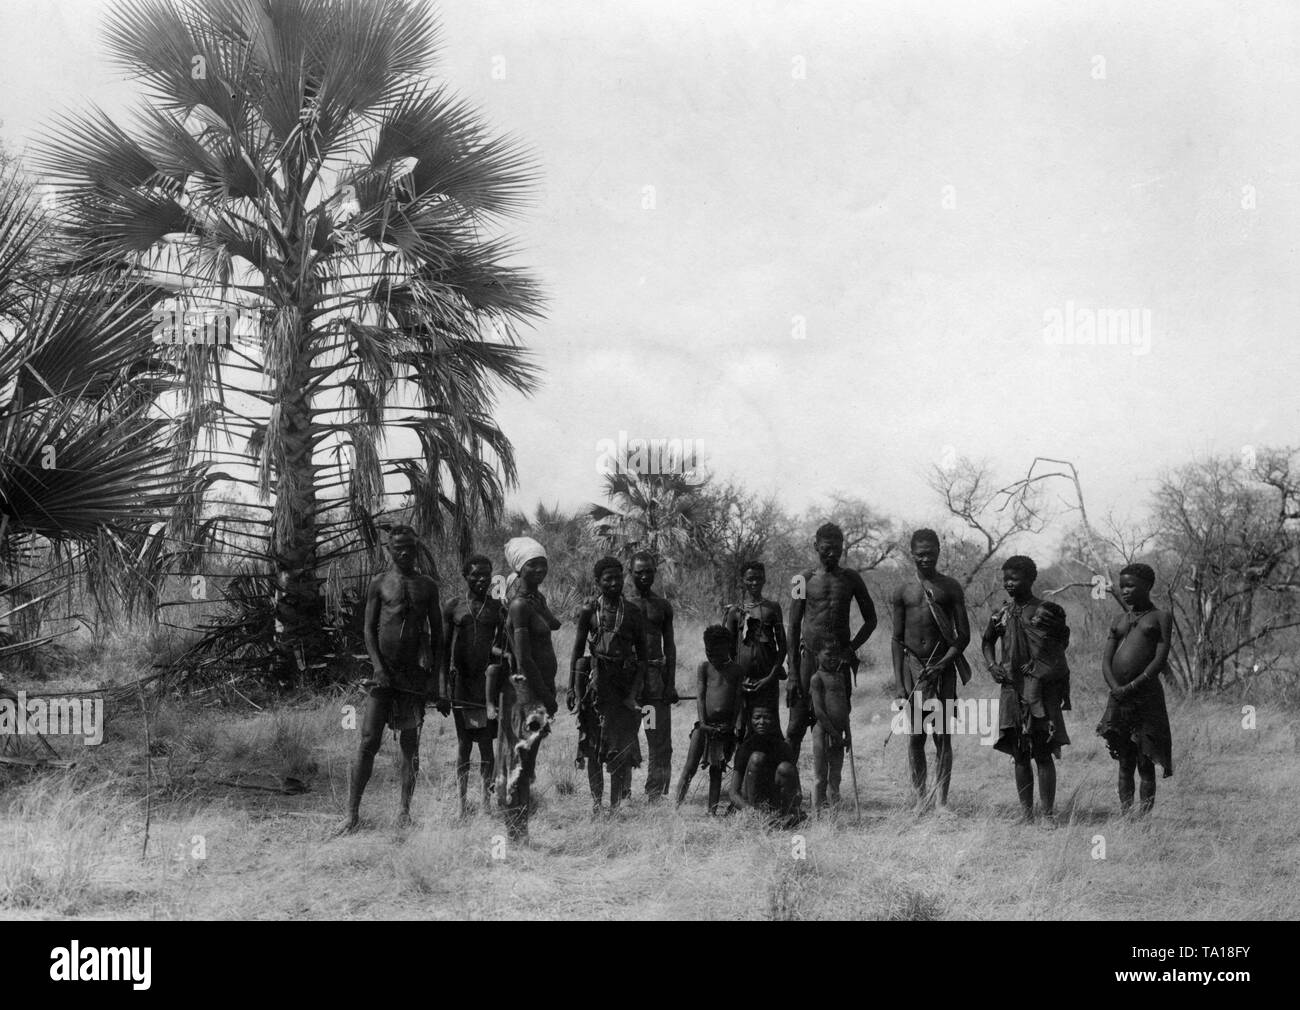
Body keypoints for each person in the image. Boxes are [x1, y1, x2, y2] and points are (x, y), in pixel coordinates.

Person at [340, 525, 444, 833]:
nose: (404, 552)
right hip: (382, 678)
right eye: (398, 547)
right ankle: (352, 815)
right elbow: (368, 630)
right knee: (369, 741)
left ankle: (403, 813)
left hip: (413, 678)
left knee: (410, 745)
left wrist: (436, 679)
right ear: (389, 548)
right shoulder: (379, 584)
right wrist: (378, 667)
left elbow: (438, 634)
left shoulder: (427, 586)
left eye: (410, 547)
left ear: (416, 548)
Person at [981, 556, 1072, 824]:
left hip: (1039, 691)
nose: (1009, 583)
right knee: (1019, 753)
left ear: (1031, 579)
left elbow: (1059, 649)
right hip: (1010, 688)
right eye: (1006, 578)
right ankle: (1026, 814)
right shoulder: (1002, 613)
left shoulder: (1046, 611)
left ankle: (1047, 815)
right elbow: (986, 641)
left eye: (1015, 578)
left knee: (1042, 753)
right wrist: (991, 665)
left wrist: (1038, 668)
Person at [889, 529, 971, 812]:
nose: (925, 558)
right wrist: (900, 683)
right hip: (914, 670)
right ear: (911, 554)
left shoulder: (950, 588)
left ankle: (941, 801)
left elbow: (963, 636)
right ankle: (920, 799)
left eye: (930, 552)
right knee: (915, 736)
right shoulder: (903, 591)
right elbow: (897, 640)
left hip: (942, 670)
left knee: (942, 735)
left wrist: (943, 664)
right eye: (920, 553)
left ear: (939, 551)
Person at [786, 523, 877, 758]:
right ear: (816, 546)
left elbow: (871, 620)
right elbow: (793, 627)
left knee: (836, 723)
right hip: (808, 660)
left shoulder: (851, 578)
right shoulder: (801, 580)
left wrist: (851, 649)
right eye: (826, 548)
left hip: (837, 663)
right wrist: (793, 674)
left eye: (837, 548)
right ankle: (789, 789)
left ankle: (830, 791)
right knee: (795, 726)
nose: (832, 553)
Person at [568, 556, 648, 814]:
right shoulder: (589, 611)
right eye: (607, 579)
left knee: (617, 749)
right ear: (597, 582)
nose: (614, 583)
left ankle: (614, 806)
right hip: (596, 686)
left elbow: (644, 657)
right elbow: (578, 651)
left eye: (618, 578)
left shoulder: (633, 612)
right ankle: (595, 804)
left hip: (623, 688)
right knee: (592, 748)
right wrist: (572, 688)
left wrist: (634, 693)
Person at [494, 536, 561, 840]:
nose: (539, 570)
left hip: (538, 693)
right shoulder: (520, 605)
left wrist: (540, 602)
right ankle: (514, 832)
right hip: (527, 693)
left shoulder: (533, 600)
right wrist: (546, 695)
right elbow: (523, 659)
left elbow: (554, 624)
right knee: (518, 762)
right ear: (520, 567)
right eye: (532, 565)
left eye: (543, 564)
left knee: (527, 761)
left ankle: (520, 829)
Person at [1096, 563, 1174, 815]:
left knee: (1145, 760)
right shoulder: (1119, 620)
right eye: (1122, 586)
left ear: (1147, 586)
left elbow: (1159, 660)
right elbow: (1106, 661)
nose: (1125, 591)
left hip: (1146, 697)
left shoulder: (1161, 617)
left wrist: (1132, 686)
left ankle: (1144, 817)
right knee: (1125, 760)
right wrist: (1116, 688)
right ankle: (1126, 815)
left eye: (1131, 585)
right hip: (1119, 698)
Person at [440, 554, 507, 817]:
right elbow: (443, 652)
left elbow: (504, 645)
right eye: (476, 575)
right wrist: (443, 689)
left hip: (487, 685)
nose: (481, 580)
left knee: (486, 745)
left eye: (486, 575)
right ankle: (461, 804)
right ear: (465, 576)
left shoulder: (496, 609)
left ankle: (486, 805)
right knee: (464, 742)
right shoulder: (453, 606)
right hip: (461, 684)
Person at [674, 624, 744, 813]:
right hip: (703, 727)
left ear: (728, 648)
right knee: (689, 768)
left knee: (716, 771)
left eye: (717, 653)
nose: (712, 657)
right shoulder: (704, 667)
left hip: (724, 729)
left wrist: (730, 726)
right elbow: (701, 696)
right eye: (709, 652)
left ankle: (711, 812)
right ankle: (675, 807)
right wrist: (703, 723)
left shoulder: (736, 671)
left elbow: (737, 702)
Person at [626, 551, 678, 801]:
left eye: (649, 571)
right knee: (625, 736)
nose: (644, 576)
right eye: (639, 572)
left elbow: (670, 646)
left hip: (655, 681)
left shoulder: (662, 606)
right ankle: (621, 792)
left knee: (658, 738)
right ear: (630, 573)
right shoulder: (622, 604)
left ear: (655, 573)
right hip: (628, 681)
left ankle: (655, 793)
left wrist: (671, 683)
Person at [722, 561, 787, 740]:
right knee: (741, 726)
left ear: (765, 579)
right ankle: (742, 767)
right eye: (750, 579)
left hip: (767, 678)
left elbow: (783, 645)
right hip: (743, 680)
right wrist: (738, 679)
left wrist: (771, 676)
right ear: (743, 580)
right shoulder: (735, 611)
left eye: (758, 578)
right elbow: (728, 651)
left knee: (769, 724)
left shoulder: (773, 607)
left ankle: (770, 766)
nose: (754, 583)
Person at [728, 705, 804, 827]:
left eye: (767, 718)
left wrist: (794, 806)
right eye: (757, 718)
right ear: (750, 721)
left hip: (775, 801)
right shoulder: (745, 748)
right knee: (757, 758)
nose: (761, 722)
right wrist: (751, 812)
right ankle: (759, 819)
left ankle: (782, 816)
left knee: (786, 768)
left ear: (774, 721)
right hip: (750, 802)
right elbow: (733, 793)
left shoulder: (783, 747)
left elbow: (797, 788)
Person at [809, 636, 851, 811]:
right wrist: (834, 733)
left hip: (839, 734)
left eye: (836, 654)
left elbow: (844, 707)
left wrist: (847, 733)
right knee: (820, 777)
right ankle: (817, 816)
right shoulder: (817, 678)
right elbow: (819, 711)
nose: (833, 658)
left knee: (835, 776)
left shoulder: (841, 676)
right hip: (823, 732)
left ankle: (834, 817)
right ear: (817, 655)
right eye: (828, 654)